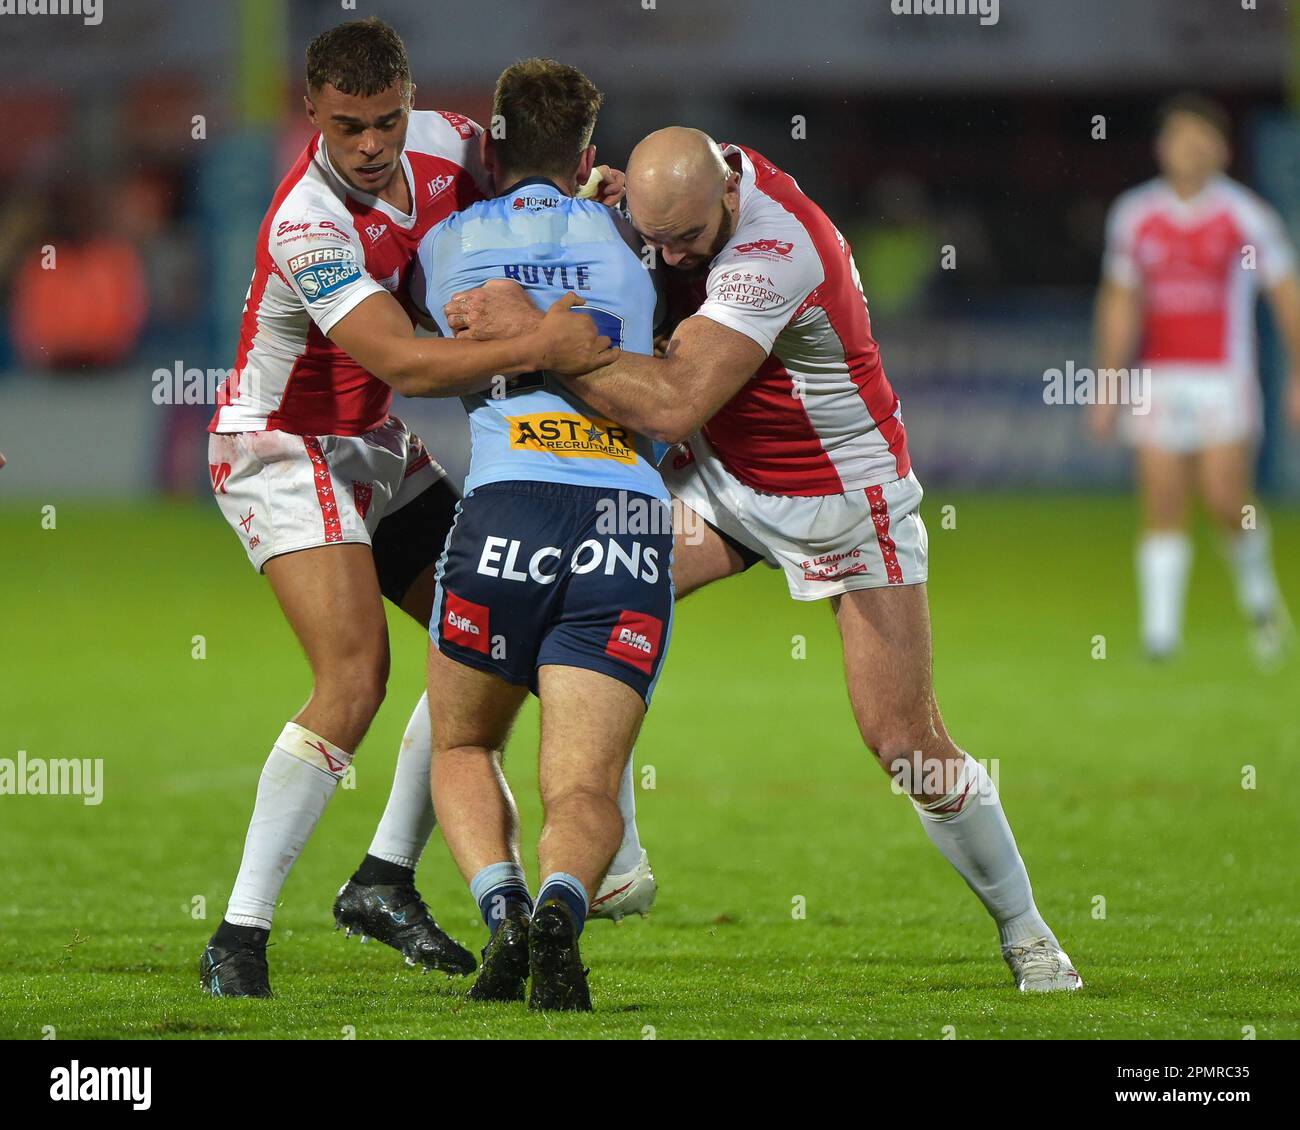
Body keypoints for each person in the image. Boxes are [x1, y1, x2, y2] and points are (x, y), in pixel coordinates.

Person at [447, 126, 1083, 992]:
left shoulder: (775, 248)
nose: (666, 255)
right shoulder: (674, 189)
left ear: (728, 202)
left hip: (840, 500)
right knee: (577, 593)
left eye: (683, 242)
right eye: (654, 234)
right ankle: (612, 859)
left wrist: (542, 342)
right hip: (726, 488)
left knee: (905, 743)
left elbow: (671, 403)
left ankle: (1028, 932)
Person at [199, 19, 615, 998]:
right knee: (355, 677)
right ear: (313, 112)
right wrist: (542, 343)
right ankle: (239, 933)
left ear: (408, 101)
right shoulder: (309, 222)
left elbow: (532, 177)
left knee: (489, 642)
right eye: (350, 126)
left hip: (373, 443)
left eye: (386, 119)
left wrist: (608, 190)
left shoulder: (447, 141)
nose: (373, 144)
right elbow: (406, 360)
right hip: (279, 443)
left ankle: (383, 877)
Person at [413, 59, 673, 1011]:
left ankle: (504, 913)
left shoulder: (442, 244)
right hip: (626, 516)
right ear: (591, 158)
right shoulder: (636, 233)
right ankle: (565, 909)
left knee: (462, 745)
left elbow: (403, 346)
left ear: (491, 148)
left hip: (509, 503)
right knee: (584, 782)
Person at [1092, 93, 1300, 662]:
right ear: (1163, 147)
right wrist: (1107, 384)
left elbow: (1285, 294)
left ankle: (1262, 606)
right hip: (1158, 378)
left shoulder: (1246, 215)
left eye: (1200, 137)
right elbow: (1120, 301)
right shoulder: (1136, 215)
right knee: (1161, 501)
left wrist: (1297, 375)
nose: (1189, 147)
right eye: (1178, 137)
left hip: (1223, 379)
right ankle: (1161, 638)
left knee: (1226, 500)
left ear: (1221, 148)